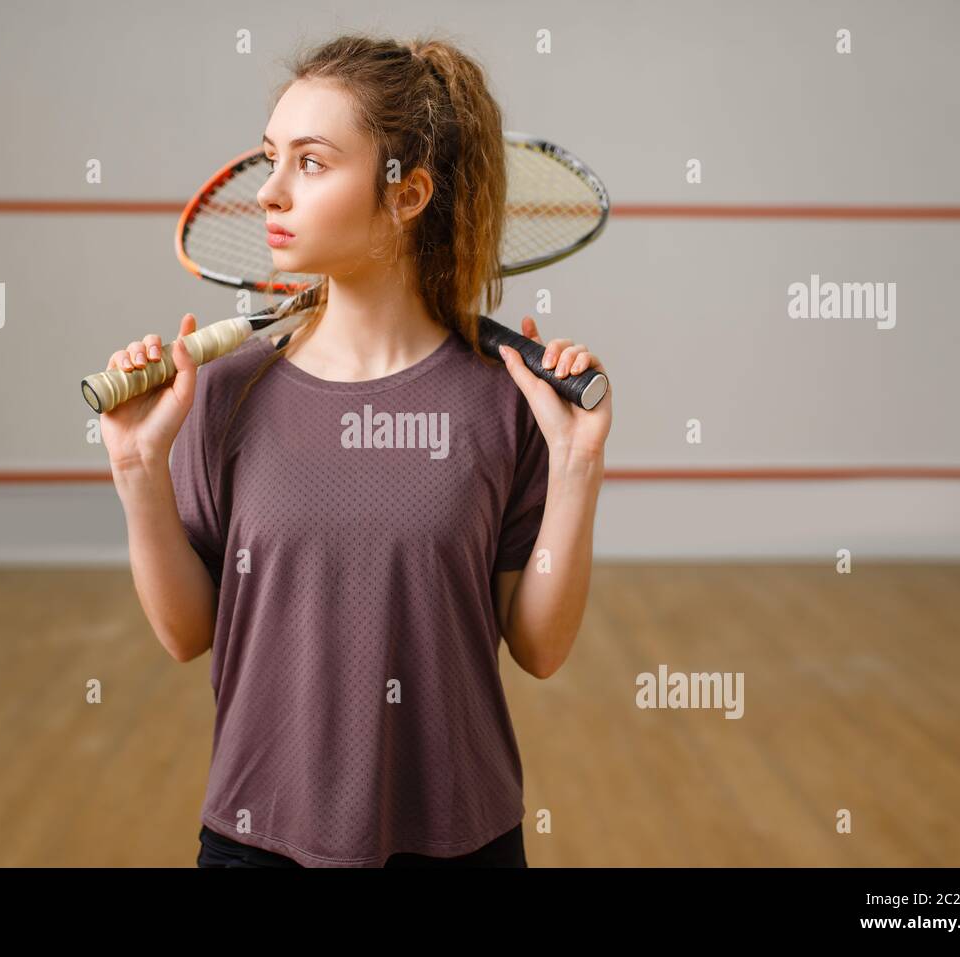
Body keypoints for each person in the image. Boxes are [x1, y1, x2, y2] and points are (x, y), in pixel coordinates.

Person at [100, 33, 612, 868]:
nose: (267, 191)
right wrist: (136, 470)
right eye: (271, 158)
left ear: (407, 194)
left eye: (310, 163)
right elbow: (186, 631)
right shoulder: (225, 392)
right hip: (253, 840)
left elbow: (541, 648)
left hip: (463, 841)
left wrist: (579, 465)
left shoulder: (504, 399)